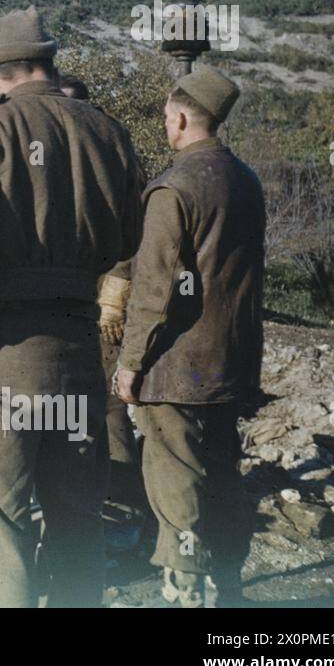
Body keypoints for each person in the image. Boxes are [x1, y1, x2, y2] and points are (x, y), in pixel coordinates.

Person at [0, 7, 144, 607]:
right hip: (78, 352)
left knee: (3, 527)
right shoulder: (106, 131)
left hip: (1, 356)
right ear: (47, 62)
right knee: (77, 524)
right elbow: (131, 242)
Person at [114, 65, 265, 608]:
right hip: (232, 361)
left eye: (166, 119)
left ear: (179, 118)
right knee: (223, 473)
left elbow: (153, 291)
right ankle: (230, 590)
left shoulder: (173, 187)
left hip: (177, 366)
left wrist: (130, 362)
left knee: (176, 485)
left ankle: (188, 595)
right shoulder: (244, 179)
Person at [59, 74, 147, 523]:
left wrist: (113, 299)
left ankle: (126, 506)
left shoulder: (115, 155)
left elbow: (132, 235)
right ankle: (78, 503)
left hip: (100, 307)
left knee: (109, 406)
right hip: (58, 302)